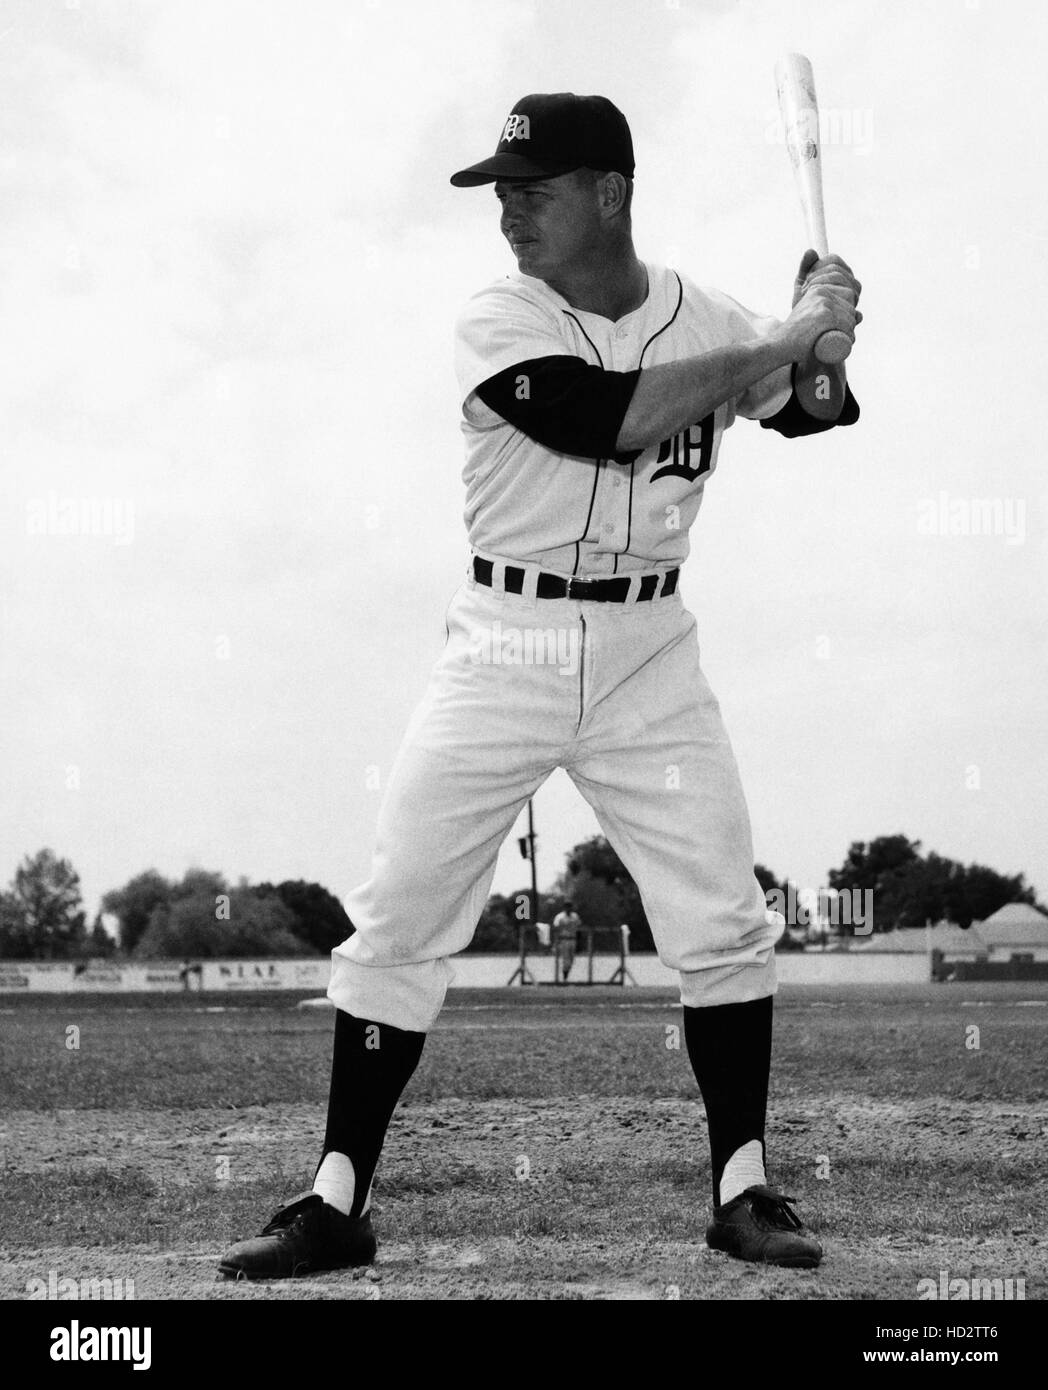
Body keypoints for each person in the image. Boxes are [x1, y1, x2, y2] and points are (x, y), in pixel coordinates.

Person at [219, 91, 861, 1280]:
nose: (508, 211)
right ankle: (335, 1199)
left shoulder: (712, 315)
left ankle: (743, 1190)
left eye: (533, 189)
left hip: (649, 648)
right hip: (502, 639)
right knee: (402, 911)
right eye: (501, 192)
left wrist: (824, 334)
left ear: (609, 194)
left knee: (722, 915)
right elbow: (607, 418)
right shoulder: (499, 316)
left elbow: (815, 413)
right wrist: (783, 340)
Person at [551, 900, 582, 982]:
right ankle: (564, 978)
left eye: (570, 906)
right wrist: (555, 943)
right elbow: (555, 929)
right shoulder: (559, 917)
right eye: (567, 906)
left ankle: (565, 975)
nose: (569, 908)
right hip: (563, 940)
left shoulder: (575, 916)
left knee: (572, 960)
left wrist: (579, 942)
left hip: (573, 939)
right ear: (564, 908)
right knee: (566, 960)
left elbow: (579, 928)